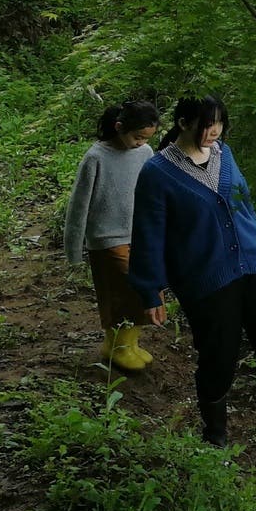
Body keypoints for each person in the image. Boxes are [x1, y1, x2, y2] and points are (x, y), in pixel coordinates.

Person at [128, 95, 256, 464]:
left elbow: (244, 205)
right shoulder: (156, 172)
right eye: (206, 123)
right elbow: (149, 233)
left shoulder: (224, 156)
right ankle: (215, 439)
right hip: (206, 280)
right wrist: (150, 289)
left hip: (254, 268)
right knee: (218, 358)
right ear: (184, 122)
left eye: (219, 122)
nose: (213, 130)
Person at [64, 100, 162, 372]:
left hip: (138, 236)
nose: (141, 142)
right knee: (121, 295)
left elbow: (153, 193)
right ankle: (117, 347)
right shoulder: (96, 157)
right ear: (119, 127)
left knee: (145, 292)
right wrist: (74, 248)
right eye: (137, 136)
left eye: (146, 138)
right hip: (106, 239)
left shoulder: (145, 153)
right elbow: (78, 205)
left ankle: (128, 344)